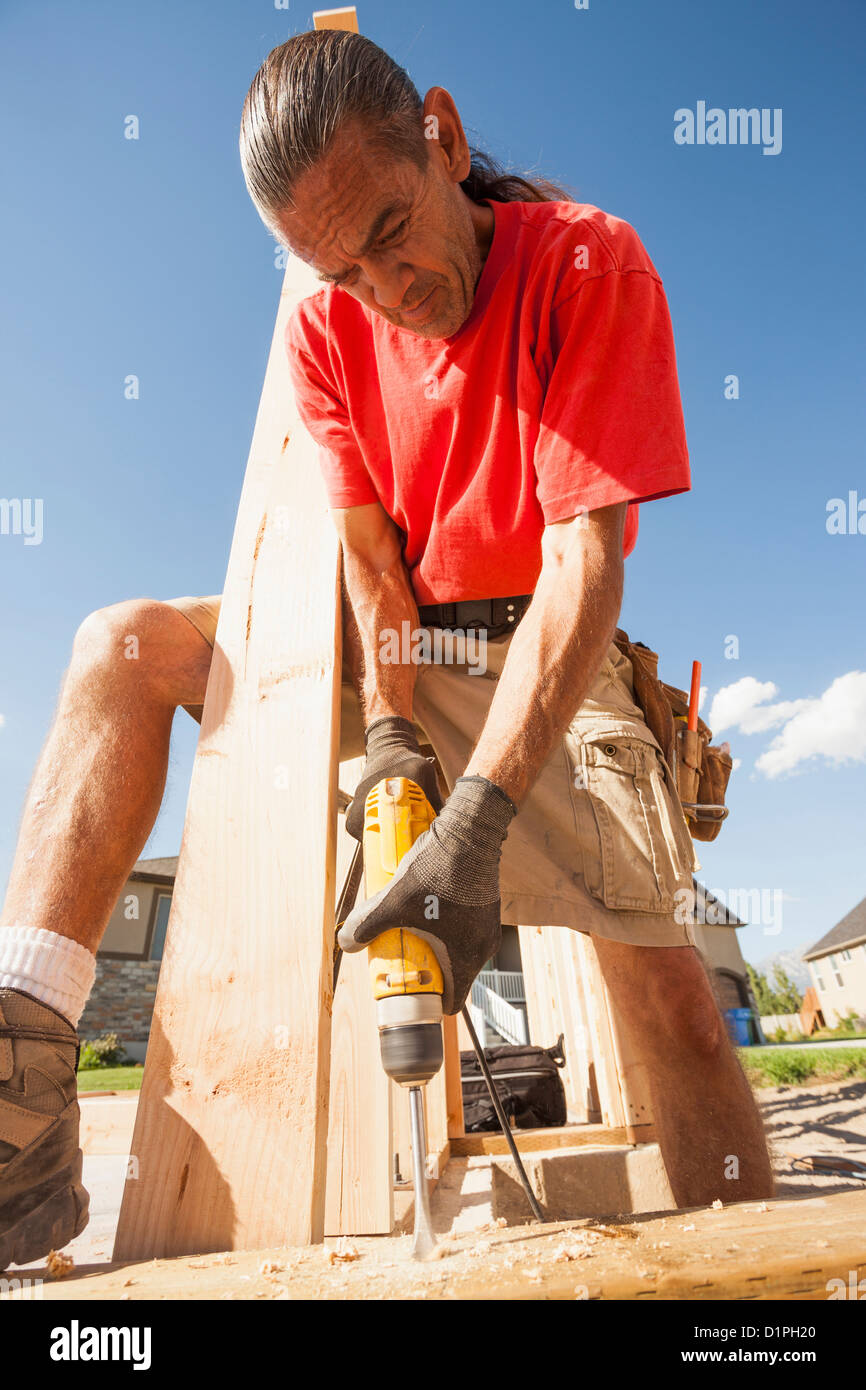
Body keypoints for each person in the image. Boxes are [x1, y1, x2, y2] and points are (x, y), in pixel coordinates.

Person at [0, 30, 772, 1272]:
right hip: (390, 646)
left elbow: (582, 562)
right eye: (339, 268)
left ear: (444, 140)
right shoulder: (325, 330)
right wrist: (394, 741)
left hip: (540, 644)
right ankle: (18, 1083)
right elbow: (367, 562)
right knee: (120, 645)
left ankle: (753, 1297)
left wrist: (468, 830)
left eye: (391, 229)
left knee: (670, 996)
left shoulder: (586, 259)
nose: (387, 288)